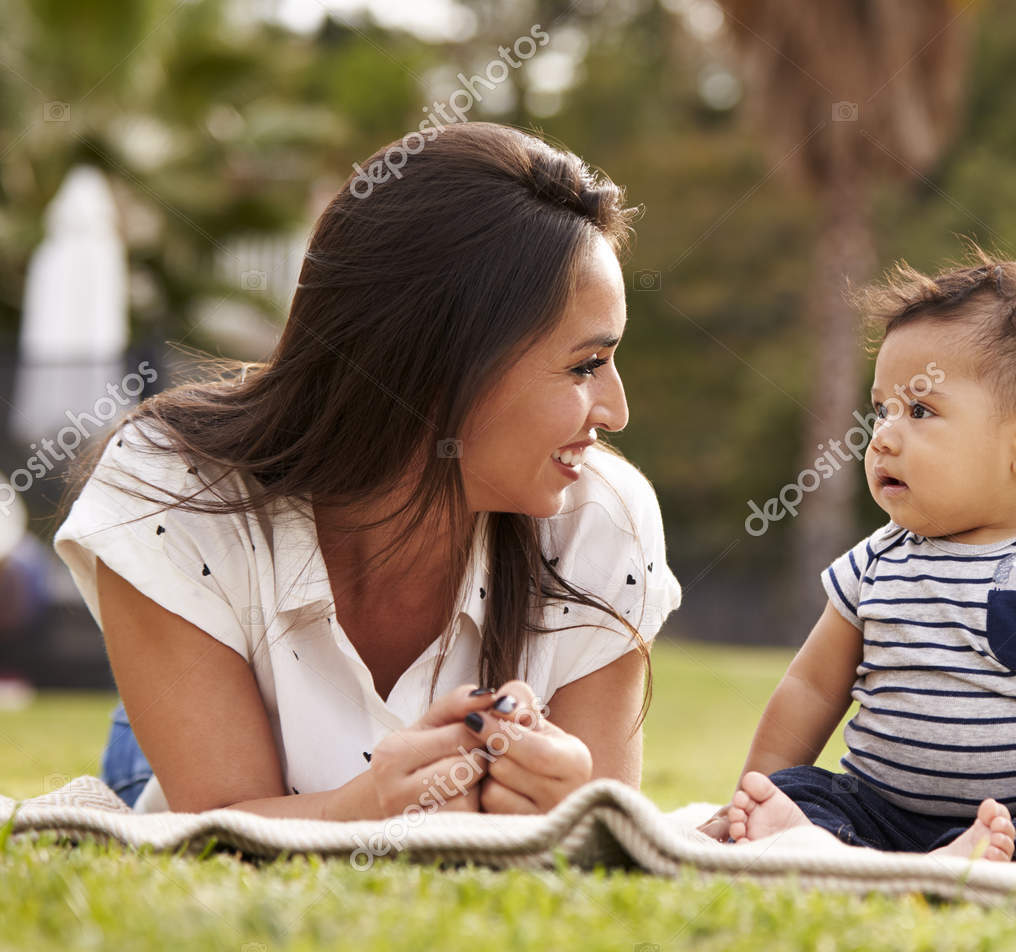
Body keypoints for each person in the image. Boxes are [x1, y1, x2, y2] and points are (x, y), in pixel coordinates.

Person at [54, 123, 680, 817]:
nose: (617, 411)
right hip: (198, 691)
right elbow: (213, 825)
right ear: (442, 360)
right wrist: (368, 804)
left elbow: (612, 832)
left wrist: (571, 809)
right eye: (585, 365)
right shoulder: (172, 489)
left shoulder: (604, 519)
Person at [724, 238, 1016, 870]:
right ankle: (804, 830)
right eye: (881, 411)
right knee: (801, 795)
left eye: (920, 410)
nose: (882, 438)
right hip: (877, 805)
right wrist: (753, 790)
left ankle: (984, 852)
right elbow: (811, 687)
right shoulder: (876, 561)